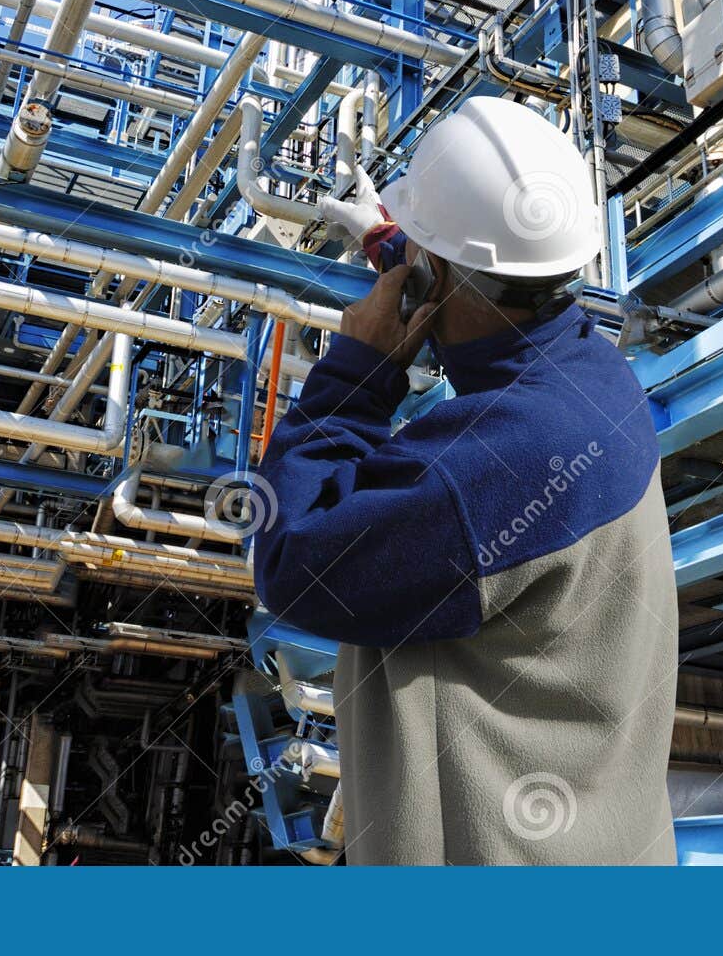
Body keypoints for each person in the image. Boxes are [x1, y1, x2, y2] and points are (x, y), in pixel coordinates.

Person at [251, 97, 676, 865]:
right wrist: (403, 253)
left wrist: (355, 375)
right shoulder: (597, 378)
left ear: (440, 276)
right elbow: (490, 299)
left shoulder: (485, 471)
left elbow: (290, 558)